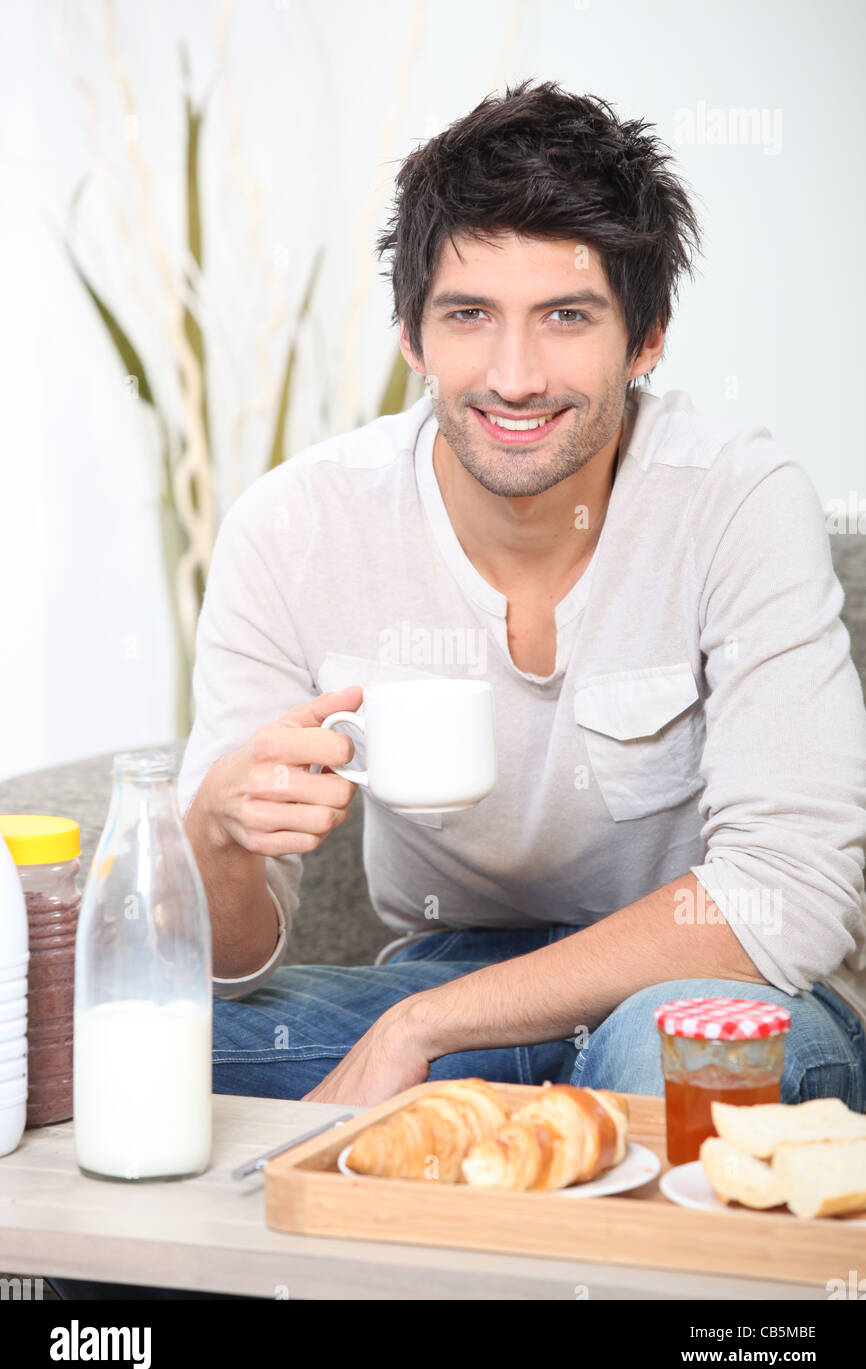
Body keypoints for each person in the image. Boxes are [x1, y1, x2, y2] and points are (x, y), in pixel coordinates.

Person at [50, 78, 866, 1300]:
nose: (515, 373)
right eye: (470, 314)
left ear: (643, 340)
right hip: (443, 971)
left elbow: (786, 900)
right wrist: (217, 833)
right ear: (411, 335)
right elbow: (231, 953)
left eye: (567, 316)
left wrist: (420, 1031)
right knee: (128, 1063)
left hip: (699, 996)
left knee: (653, 1050)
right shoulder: (295, 523)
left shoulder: (736, 504)